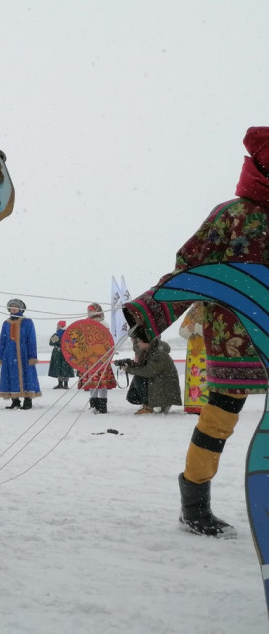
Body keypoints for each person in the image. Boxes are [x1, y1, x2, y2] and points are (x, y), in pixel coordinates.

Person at [122, 126, 269, 538]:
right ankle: (194, 503)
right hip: (235, 338)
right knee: (220, 419)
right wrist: (150, 314)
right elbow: (191, 271)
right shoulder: (231, 215)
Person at [0, 298, 41, 409]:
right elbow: (2, 341)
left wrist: (32, 356)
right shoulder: (6, 323)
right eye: (12, 306)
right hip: (9, 355)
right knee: (11, 376)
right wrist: (0, 356)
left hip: (24, 354)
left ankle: (28, 401)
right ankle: (15, 401)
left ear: (20, 308)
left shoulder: (27, 322)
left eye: (16, 306)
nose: (13, 308)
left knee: (27, 376)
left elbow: (32, 340)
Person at [116, 337, 182, 414]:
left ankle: (148, 407)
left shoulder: (159, 354)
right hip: (159, 384)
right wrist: (130, 364)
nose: (137, 344)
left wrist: (128, 369)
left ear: (147, 342)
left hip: (165, 389)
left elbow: (148, 372)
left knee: (138, 377)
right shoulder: (149, 351)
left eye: (139, 341)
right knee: (132, 396)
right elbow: (144, 367)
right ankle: (147, 405)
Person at [76, 303, 116, 414]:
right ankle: (93, 405)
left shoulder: (103, 324)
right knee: (92, 383)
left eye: (91, 310)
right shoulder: (85, 324)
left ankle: (102, 406)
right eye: (88, 310)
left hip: (101, 358)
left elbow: (107, 341)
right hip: (89, 359)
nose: (89, 312)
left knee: (102, 383)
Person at [178, 303, 208, 415]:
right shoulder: (192, 312)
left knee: (205, 377)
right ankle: (193, 405)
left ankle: (207, 405)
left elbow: (212, 330)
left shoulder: (210, 310)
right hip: (193, 353)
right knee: (193, 378)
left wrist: (196, 328)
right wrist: (188, 329)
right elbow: (181, 331)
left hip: (206, 349)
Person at [47, 320, 74, 389]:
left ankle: (65, 384)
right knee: (59, 367)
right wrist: (56, 340)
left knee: (65, 368)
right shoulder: (56, 334)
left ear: (61, 326)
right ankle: (60, 383)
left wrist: (59, 343)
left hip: (65, 353)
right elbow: (51, 343)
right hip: (58, 353)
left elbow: (71, 343)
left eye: (58, 325)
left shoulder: (67, 334)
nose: (57, 326)